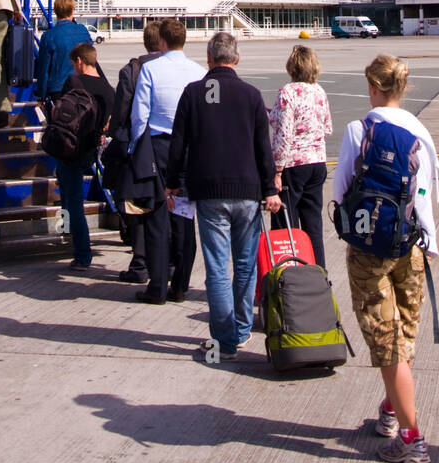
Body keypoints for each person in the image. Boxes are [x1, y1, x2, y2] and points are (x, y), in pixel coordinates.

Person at [332, 55, 439, 463]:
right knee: (404, 334)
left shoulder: (359, 129)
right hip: (412, 247)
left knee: (386, 339)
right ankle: (393, 409)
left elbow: (343, 187)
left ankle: (412, 440)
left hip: (369, 251)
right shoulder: (419, 130)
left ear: (373, 87)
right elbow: (427, 194)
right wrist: (428, 242)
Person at [167, 31, 281, 359]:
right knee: (245, 264)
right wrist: (270, 188)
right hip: (247, 191)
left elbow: (178, 144)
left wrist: (172, 182)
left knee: (217, 267)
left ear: (208, 59)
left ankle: (224, 340)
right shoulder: (251, 95)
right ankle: (242, 331)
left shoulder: (192, 93)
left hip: (210, 190)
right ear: (237, 58)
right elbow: (264, 149)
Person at [129, 18, 203, 304]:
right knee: (185, 217)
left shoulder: (150, 69)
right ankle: (180, 285)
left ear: (161, 41)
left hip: (159, 146)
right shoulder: (198, 72)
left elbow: (140, 114)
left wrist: (136, 148)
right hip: (187, 150)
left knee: (157, 219)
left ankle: (157, 286)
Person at [107, 21, 163, 284]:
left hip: (137, 145)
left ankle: (140, 263)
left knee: (135, 204)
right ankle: (166, 262)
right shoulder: (169, 68)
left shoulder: (132, 70)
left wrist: (115, 135)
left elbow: (121, 111)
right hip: (164, 145)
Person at [51, 43, 115, 271]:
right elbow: (107, 124)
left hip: (69, 147)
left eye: (73, 63)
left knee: (72, 199)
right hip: (90, 150)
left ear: (79, 61)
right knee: (71, 195)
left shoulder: (74, 83)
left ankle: (82, 253)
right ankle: (68, 232)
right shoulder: (108, 90)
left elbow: (61, 111)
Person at [268, 44, 332, 266]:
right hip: (317, 161)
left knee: (286, 222)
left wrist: (277, 170)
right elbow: (327, 127)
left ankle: (290, 273)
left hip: (294, 164)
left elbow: (284, 135)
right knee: (313, 223)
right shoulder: (319, 91)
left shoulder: (287, 92)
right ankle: (319, 273)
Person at [36, 0, 93, 101]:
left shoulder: (48, 36)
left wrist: (41, 96)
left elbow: (43, 70)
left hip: (58, 89)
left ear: (56, 12)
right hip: (81, 87)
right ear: (72, 11)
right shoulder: (82, 31)